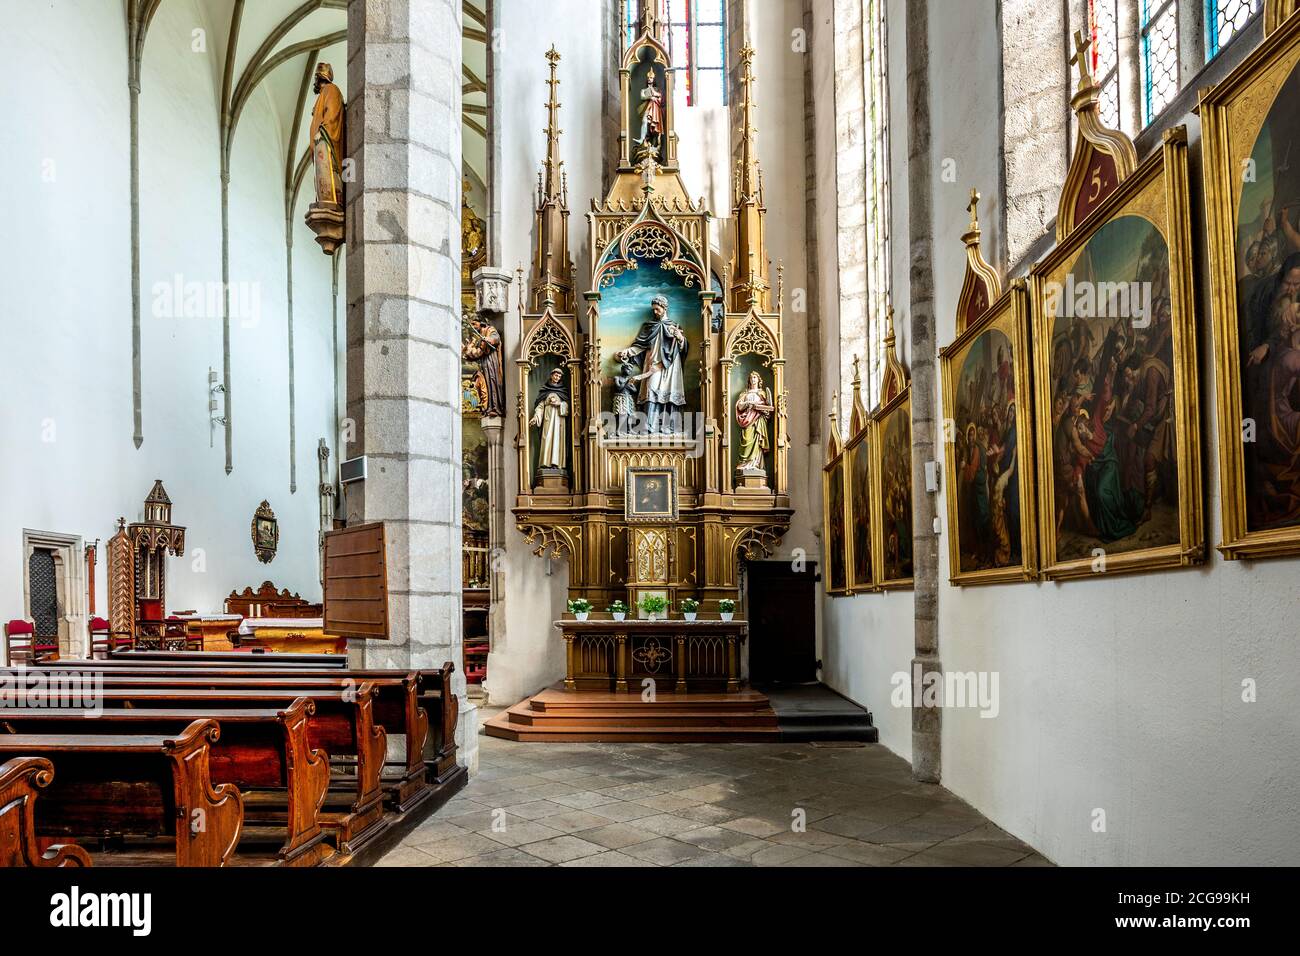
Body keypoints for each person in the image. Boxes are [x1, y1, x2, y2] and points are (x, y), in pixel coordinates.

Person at [617, 294, 689, 434]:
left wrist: (680, 338)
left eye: (657, 309)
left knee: (670, 392)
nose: (655, 312)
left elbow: (683, 347)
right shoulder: (649, 326)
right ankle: (649, 426)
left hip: (671, 366)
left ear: (664, 307)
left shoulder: (673, 326)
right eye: (653, 310)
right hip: (653, 364)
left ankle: (670, 427)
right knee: (651, 390)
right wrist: (627, 352)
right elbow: (640, 345)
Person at [734, 371, 774, 472]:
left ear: (759, 380)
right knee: (747, 439)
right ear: (749, 381)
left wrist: (760, 406)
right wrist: (748, 403)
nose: (753, 379)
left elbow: (768, 408)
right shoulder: (744, 393)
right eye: (751, 378)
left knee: (757, 441)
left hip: (758, 420)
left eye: (755, 377)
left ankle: (755, 464)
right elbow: (739, 406)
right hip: (747, 419)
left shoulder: (762, 393)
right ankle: (745, 464)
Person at [531, 368, 569, 471]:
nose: (557, 378)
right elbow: (540, 406)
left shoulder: (563, 391)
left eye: (559, 376)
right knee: (547, 438)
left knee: (557, 440)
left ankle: (557, 463)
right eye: (556, 375)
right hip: (548, 419)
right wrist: (536, 417)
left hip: (559, 420)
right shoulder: (545, 390)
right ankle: (545, 463)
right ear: (551, 375)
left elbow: (568, 406)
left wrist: (560, 404)